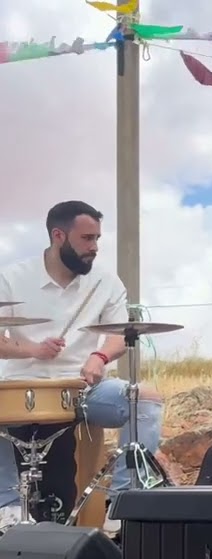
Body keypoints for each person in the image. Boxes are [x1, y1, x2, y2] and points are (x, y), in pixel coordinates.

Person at [0, 200, 165, 532]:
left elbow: (121, 333)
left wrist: (99, 357)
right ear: (58, 235)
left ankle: (121, 503)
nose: (94, 248)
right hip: (22, 386)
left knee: (144, 399)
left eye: (97, 239)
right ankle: (7, 504)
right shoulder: (13, 277)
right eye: (87, 239)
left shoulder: (105, 282)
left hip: (82, 389)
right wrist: (33, 349)